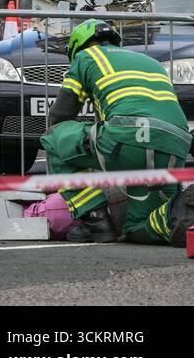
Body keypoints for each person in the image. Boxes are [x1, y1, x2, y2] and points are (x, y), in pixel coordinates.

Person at [40, 19, 194, 246]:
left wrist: (79, 162)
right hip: (175, 145)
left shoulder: (86, 57)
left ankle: (96, 220)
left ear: (76, 48)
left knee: (54, 137)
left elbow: (59, 116)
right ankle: (182, 211)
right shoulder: (151, 62)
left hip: (128, 139)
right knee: (138, 226)